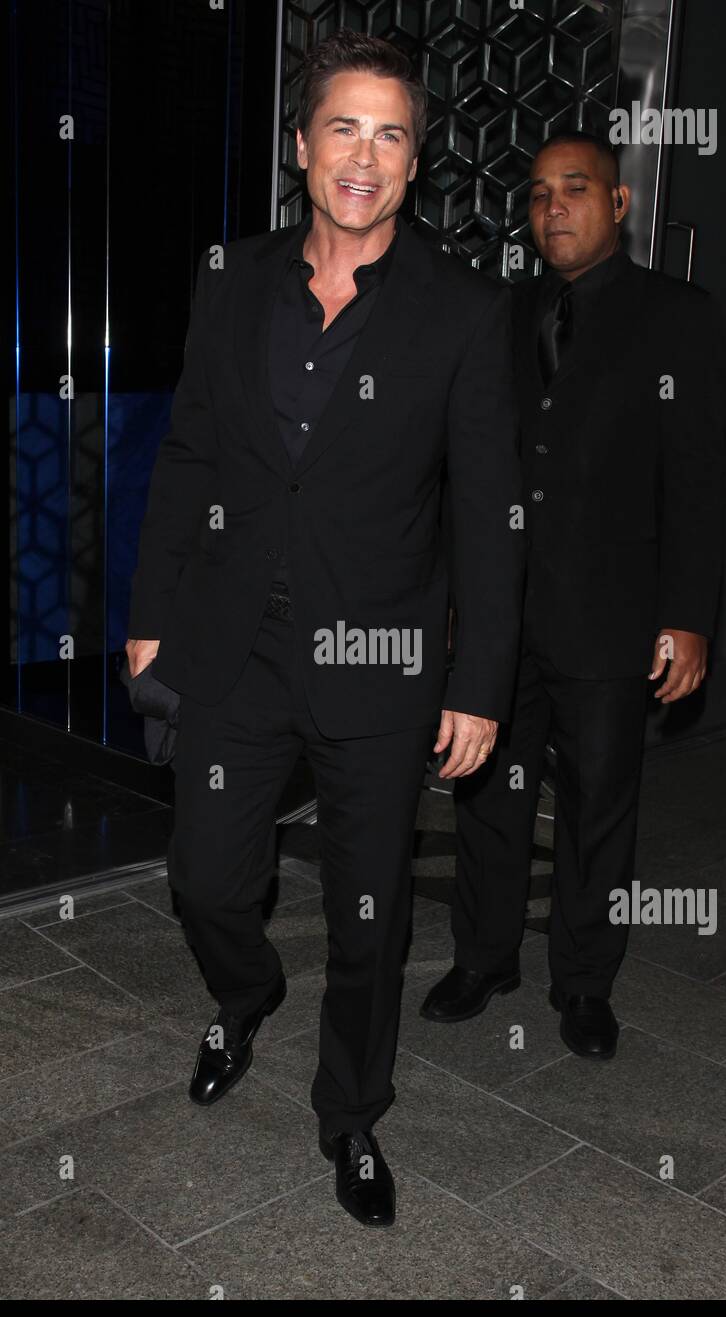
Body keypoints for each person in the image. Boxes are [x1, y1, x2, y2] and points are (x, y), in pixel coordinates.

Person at [125, 29, 524, 1226]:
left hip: (383, 661)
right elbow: (188, 450)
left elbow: (490, 518)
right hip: (237, 640)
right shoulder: (231, 279)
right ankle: (244, 995)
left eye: (391, 132)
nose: (365, 154)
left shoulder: (463, 311)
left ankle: (348, 1114)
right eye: (343, 127)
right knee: (204, 876)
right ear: (301, 147)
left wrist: (480, 679)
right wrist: (150, 616)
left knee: (369, 910)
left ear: (414, 159)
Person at [422, 131, 726, 1061]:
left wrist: (688, 617)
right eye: (541, 193)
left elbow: (701, 482)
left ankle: (585, 981)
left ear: (620, 203)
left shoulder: (677, 316)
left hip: (613, 619)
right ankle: (484, 957)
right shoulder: (500, 314)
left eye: (576, 189)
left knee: (600, 803)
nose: (554, 207)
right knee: (488, 796)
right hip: (502, 618)